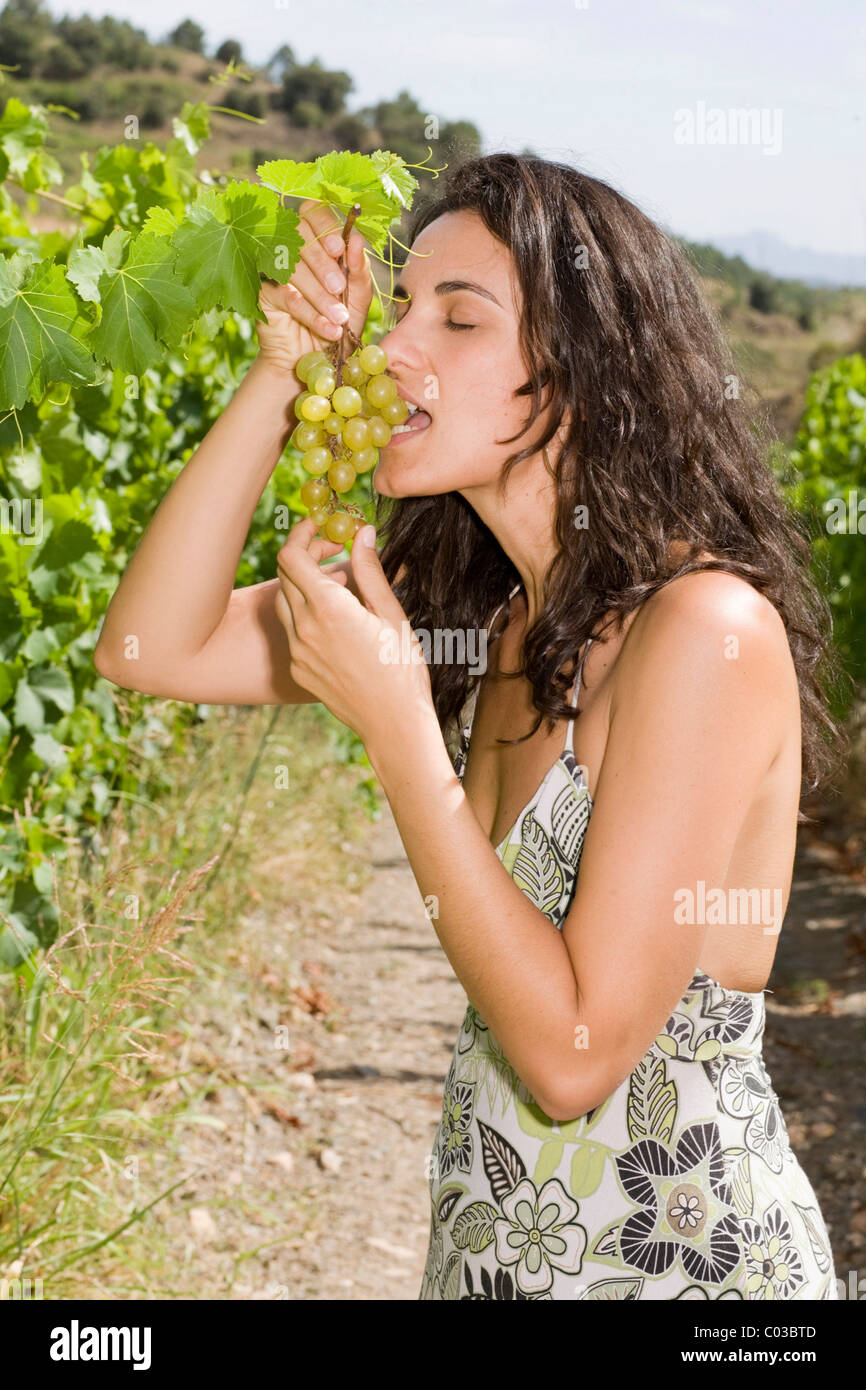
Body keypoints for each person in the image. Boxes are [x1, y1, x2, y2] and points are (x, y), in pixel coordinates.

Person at [95, 153, 846, 1301]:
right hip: (502, 1260)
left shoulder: (703, 630)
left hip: (686, 1277)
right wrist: (274, 372)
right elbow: (147, 647)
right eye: (401, 307)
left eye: (458, 318)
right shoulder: (495, 619)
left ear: (583, 371)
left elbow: (572, 1054)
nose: (395, 347)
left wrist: (400, 726)